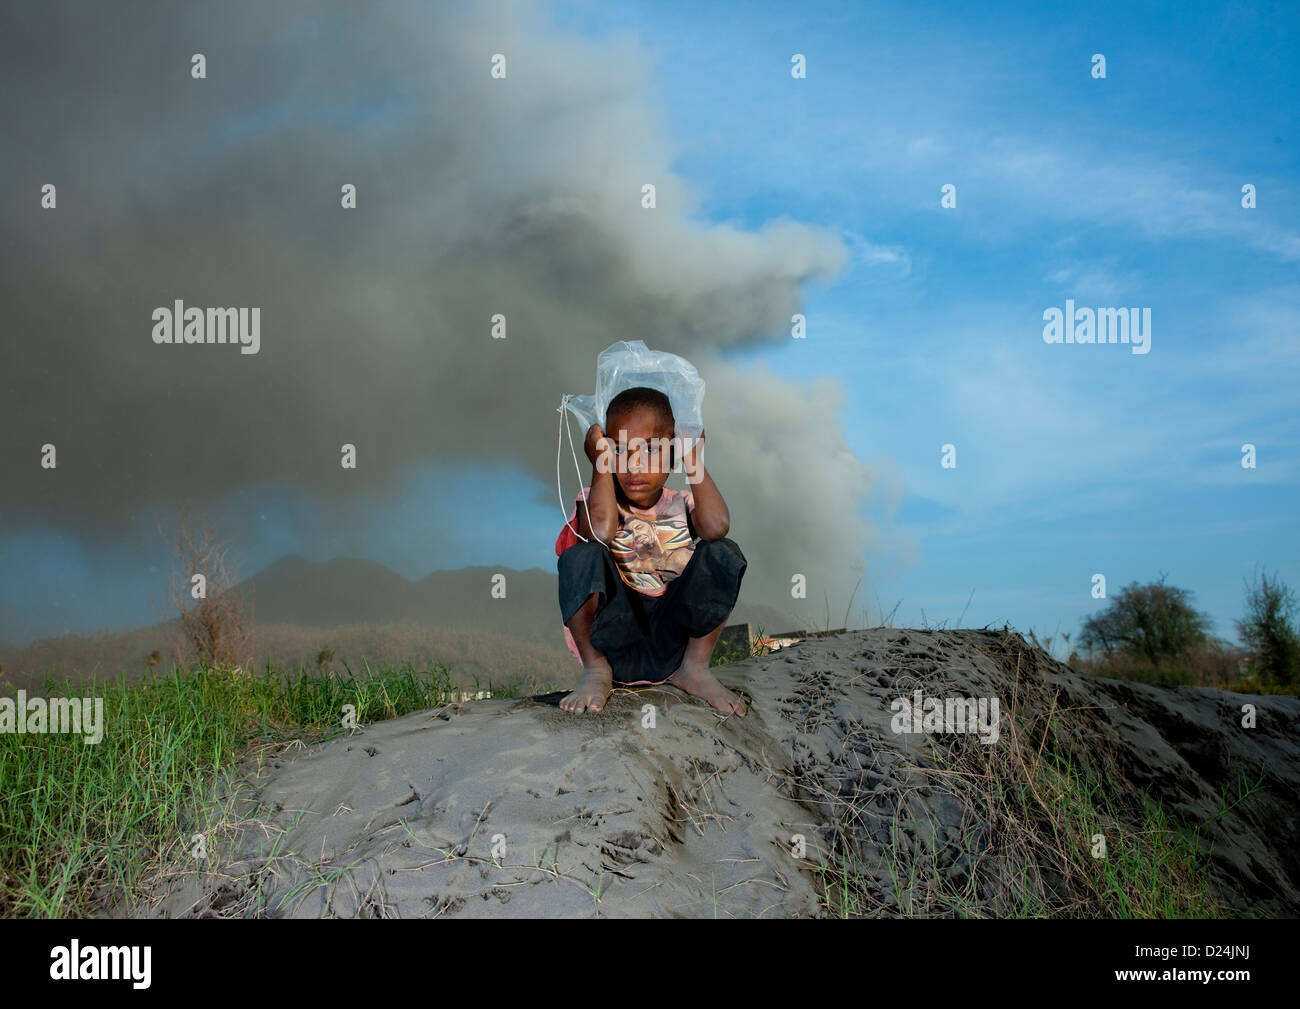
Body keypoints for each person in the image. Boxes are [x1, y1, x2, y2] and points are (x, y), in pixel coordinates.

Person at [555, 386, 747, 716]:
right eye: (620, 451)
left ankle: (696, 669)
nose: (635, 465)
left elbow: (717, 528)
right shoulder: (595, 503)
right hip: (613, 643)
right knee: (581, 556)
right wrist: (601, 467)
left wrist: (693, 461)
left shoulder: (683, 506)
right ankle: (595, 670)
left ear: (672, 453)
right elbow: (599, 533)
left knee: (723, 552)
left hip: (672, 646)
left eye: (651, 450)